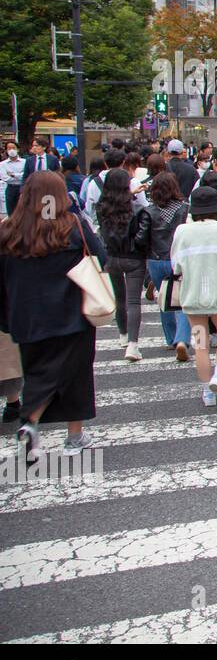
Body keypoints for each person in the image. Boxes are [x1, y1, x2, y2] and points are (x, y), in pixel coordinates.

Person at [0, 171, 106, 460]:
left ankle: (30, 424)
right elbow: (101, 258)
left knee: (36, 373)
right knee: (76, 374)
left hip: (27, 316)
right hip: (72, 314)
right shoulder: (73, 227)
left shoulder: (9, 231)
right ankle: (74, 436)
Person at [169, 187, 217, 407]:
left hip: (193, 294)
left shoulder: (182, 231)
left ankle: (207, 392)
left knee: (200, 342)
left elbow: (176, 264)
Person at [96, 168, 149, 362]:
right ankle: (133, 346)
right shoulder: (136, 209)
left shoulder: (102, 207)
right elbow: (142, 236)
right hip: (133, 257)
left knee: (119, 298)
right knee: (133, 301)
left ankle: (123, 335)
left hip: (112, 256)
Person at [140, 172, 192, 361]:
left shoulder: (149, 211)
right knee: (183, 299)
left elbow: (143, 237)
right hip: (178, 258)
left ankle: (170, 339)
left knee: (164, 300)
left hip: (155, 259)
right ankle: (182, 339)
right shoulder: (185, 208)